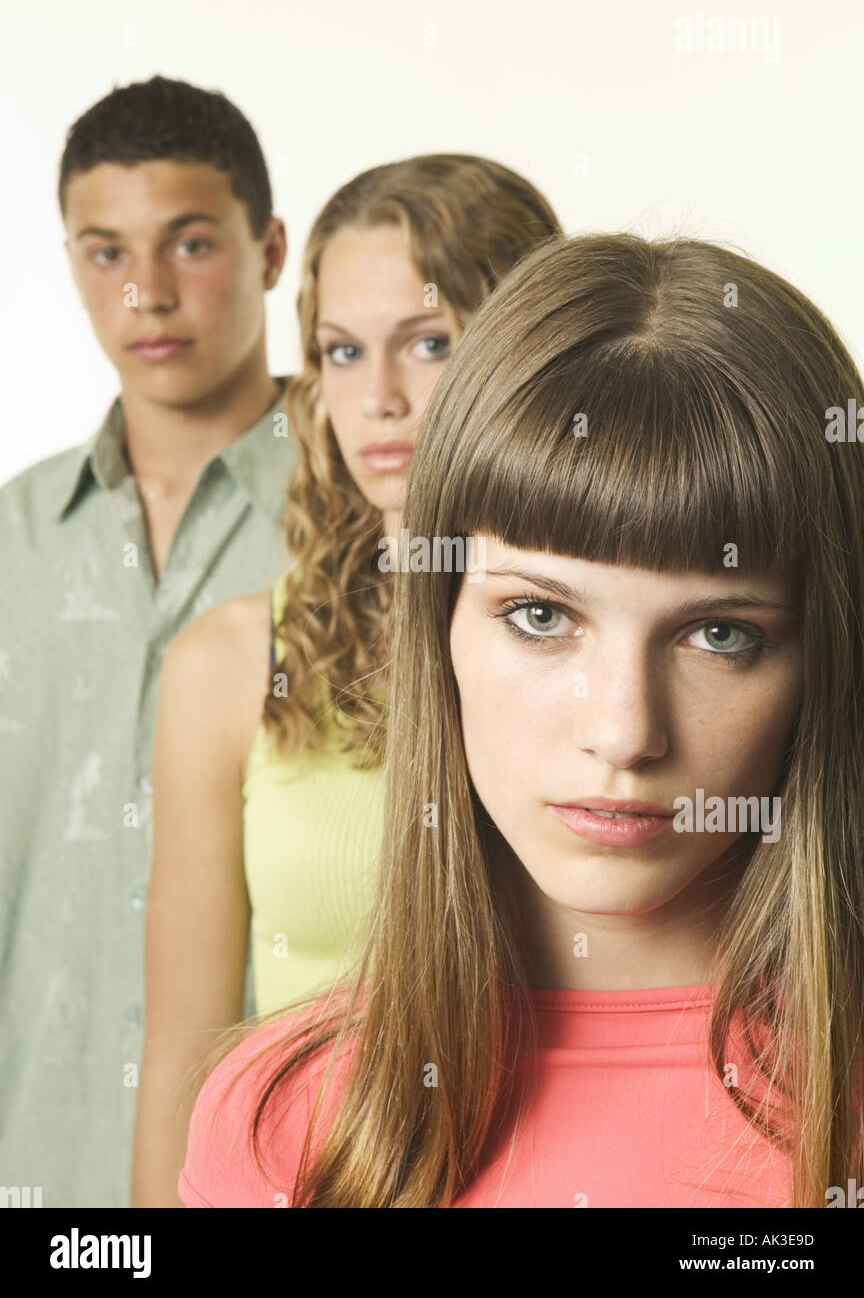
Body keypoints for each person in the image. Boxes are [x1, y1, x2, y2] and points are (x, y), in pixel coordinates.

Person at [179, 231, 864, 1208]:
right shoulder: (281, 1119)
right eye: (541, 616)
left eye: (719, 634)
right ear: (440, 626)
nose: (624, 731)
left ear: (820, 662)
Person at [132, 155, 562, 1206]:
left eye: (429, 343)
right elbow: (183, 1065)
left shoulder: (611, 655)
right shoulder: (228, 665)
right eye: (341, 351)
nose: (380, 399)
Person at [0, 74, 296, 1207]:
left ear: (269, 251)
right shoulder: (15, 543)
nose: (149, 293)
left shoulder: (368, 524)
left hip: (276, 1167)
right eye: (105, 252)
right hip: (36, 1158)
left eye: (189, 243)